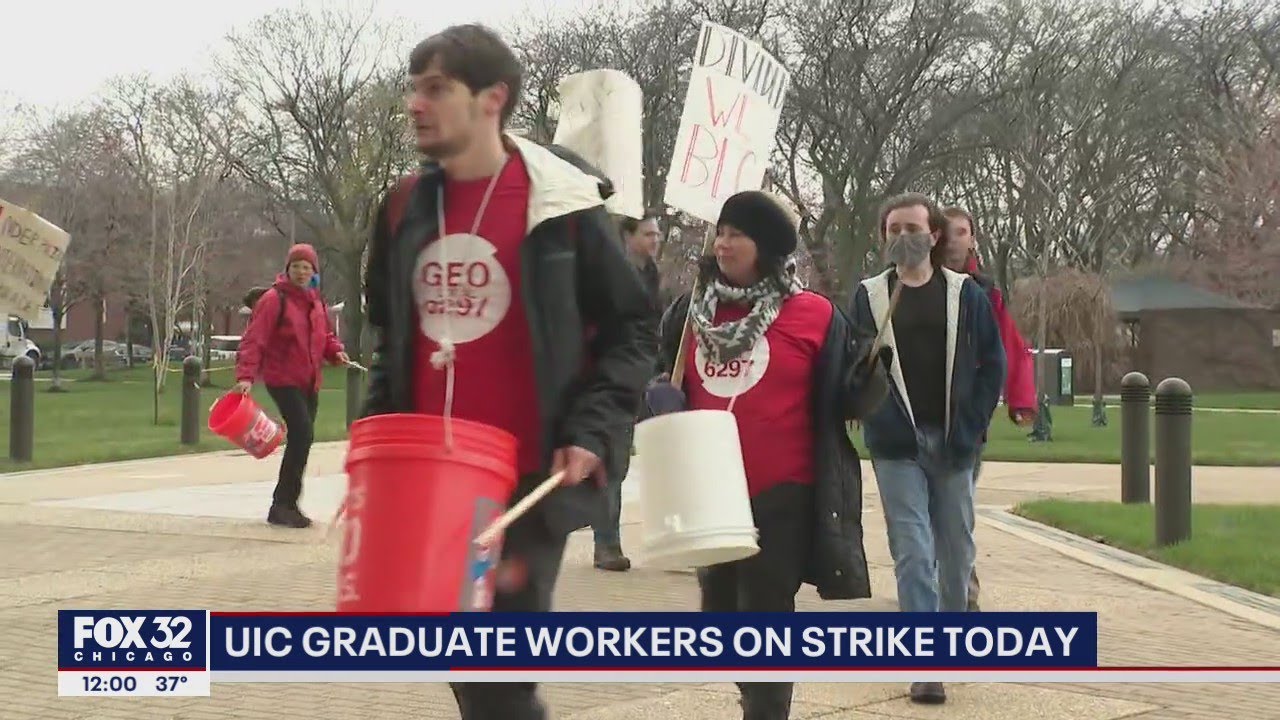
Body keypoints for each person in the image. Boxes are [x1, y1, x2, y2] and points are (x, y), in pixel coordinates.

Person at [359, 23, 656, 720]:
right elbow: (391, 336)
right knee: (465, 665)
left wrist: (594, 430)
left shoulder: (565, 206)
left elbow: (631, 329)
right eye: (413, 89)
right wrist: (374, 448)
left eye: (436, 89)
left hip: (527, 481)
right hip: (429, 481)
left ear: (492, 98)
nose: (415, 105)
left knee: (499, 675)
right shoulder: (403, 208)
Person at [654, 190, 890, 720]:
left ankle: (766, 710)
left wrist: (868, 380)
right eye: (721, 232)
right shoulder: (692, 311)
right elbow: (657, 365)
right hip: (709, 492)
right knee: (721, 617)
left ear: (768, 248)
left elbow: (847, 400)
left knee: (763, 614)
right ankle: (753, 693)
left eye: (738, 234)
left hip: (782, 490)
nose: (724, 243)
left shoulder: (814, 315)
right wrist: (657, 394)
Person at [847, 192, 1005, 705]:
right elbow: (855, 367)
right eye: (894, 230)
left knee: (955, 555)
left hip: (953, 442)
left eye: (913, 228)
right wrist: (864, 386)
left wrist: (972, 429)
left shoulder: (965, 295)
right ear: (883, 238)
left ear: (934, 235)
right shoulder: (871, 296)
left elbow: (992, 367)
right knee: (913, 553)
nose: (904, 238)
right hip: (896, 446)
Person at [941, 206, 1037, 610]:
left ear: (973, 239)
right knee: (927, 511)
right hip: (920, 413)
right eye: (947, 233)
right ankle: (944, 588)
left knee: (957, 507)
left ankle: (961, 591)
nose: (954, 240)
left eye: (962, 232)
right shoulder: (912, 283)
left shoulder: (986, 291)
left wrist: (1021, 400)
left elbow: (1008, 347)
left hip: (968, 416)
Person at [233, 243, 349, 529]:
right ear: (288, 269)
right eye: (296, 266)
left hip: (308, 380)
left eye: (306, 267)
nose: (301, 272)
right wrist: (245, 376)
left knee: (303, 439)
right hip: (282, 378)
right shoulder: (274, 300)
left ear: (314, 273)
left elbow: (325, 334)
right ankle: (282, 505)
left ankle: (287, 503)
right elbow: (254, 339)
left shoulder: (316, 301)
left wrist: (335, 351)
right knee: (302, 434)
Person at [589, 214, 665, 572]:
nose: (656, 239)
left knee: (618, 461)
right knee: (612, 461)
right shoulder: (613, 275)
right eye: (649, 233)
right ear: (629, 235)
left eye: (658, 233)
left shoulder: (651, 274)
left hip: (639, 376)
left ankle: (604, 535)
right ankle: (606, 544)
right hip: (610, 376)